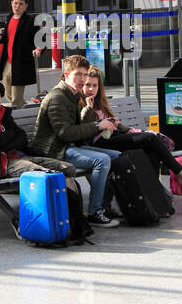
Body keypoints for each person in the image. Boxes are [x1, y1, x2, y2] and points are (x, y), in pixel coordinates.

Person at [0, 77, 88, 239]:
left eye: (0, 94)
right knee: (45, 173)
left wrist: (3, 141)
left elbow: (21, 138)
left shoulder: (3, 114)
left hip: (17, 157)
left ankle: (76, 222)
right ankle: (47, 222)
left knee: (67, 168)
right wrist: (8, 136)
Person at [80, 66, 182, 191]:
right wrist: (91, 112)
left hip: (114, 137)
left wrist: (116, 124)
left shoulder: (100, 103)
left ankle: (153, 193)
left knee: (152, 151)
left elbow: (117, 127)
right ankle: (180, 174)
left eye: (95, 85)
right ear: (81, 85)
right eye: (87, 85)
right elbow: (84, 129)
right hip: (99, 144)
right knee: (150, 139)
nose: (91, 89)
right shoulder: (81, 104)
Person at [30, 55, 121, 229]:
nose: (82, 79)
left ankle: (105, 206)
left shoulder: (72, 95)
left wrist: (88, 111)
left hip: (70, 146)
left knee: (117, 157)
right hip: (54, 150)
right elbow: (65, 133)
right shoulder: (57, 97)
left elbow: (79, 128)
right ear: (66, 74)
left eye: (85, 74)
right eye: (78, 74)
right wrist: (97, 126)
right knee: (102, 160)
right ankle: (95, 212)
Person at [0, 0, 42, 108]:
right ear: (11, 4)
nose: (17, 6)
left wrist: (38, 49)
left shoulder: (30, 21)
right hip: (7, 62)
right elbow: (7, 37)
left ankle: (19, 117)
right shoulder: (9, 18)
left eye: (21, 4)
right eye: (15, 3)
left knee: (16, 97)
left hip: (21, 62)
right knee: (7, 92)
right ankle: (23, 108)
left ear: (26, 6)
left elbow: (39, 38)